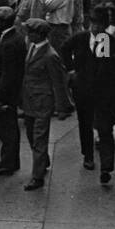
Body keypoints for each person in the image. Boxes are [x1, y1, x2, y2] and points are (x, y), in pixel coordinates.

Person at [60, 4, 115, 185]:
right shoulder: (80, 38)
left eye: (100, 25)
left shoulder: (110, 43)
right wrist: (71, 70)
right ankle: (88, 156)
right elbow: (64, 49)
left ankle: (106, 167)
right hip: (83, 91)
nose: (96, 28)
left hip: (103, 94)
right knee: (85, 125)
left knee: (104, 129)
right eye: (94, 24)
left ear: (105, 26)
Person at [20, 17, 73, 191]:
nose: (27, 35)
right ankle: (43, 161)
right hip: (29, 100)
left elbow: (59, 83)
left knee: (39, 138)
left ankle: (37, 177)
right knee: (30, 135)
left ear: (38, 34)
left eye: (30, 32)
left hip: (43, 102)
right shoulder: (32, 48)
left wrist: (62, 107)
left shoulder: (50, 56)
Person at [0, 6, 27, 177]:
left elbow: (7, 74)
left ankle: (8, 163)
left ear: (2, 22)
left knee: (7, 130)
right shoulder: (14, 37)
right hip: (11, 93)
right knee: (9, 129)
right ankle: (8, 159)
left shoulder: (9, 43)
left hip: (6, 95)